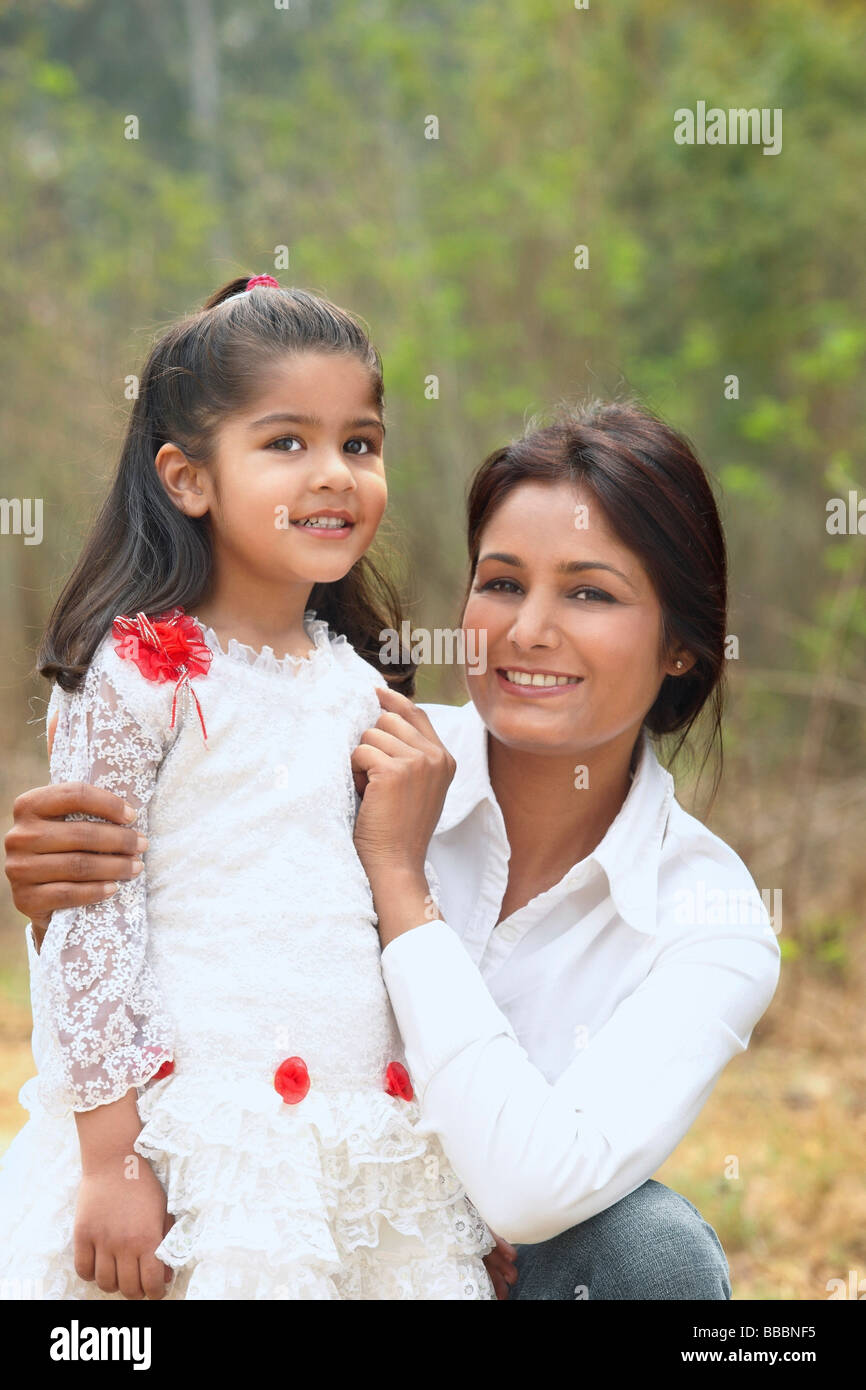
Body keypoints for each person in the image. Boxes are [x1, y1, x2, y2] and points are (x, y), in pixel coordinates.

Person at [5, 400, 781, 1301]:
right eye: (500, 583)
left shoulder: (708, 919)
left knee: (653, 1254)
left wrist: (401, 885)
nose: (528, 629)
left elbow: (533, 1192)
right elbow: (192, 933)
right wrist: (63, 887)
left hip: (482, 1269)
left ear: (683, 644)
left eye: (589, 592)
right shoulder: (338, 746)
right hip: (266, 1230)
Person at [0, 274, 496, 1301]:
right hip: (195, 1143)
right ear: (187, 478)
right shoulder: (138, 671)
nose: (335, 475)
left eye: (359, 444)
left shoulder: (364, 686)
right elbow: (93, 925)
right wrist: (111, 1159)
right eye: (287, 443)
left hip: (361, 1137)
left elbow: (385, 904)